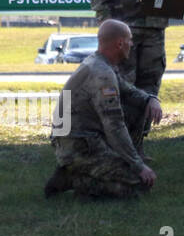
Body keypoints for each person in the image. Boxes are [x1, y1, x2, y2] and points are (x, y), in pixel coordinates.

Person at [45, 19, 162, 200]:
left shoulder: (101, 63)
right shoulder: (102, 74)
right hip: (78, 145)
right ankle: (73, 179)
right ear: (120, 43)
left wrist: (150, 100)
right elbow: (114, 125)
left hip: (83, 138)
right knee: (137, 185)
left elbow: (128, 91)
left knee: (139, 107)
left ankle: (84, 170)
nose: (132, 44)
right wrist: (138, 166)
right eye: (130, 40)